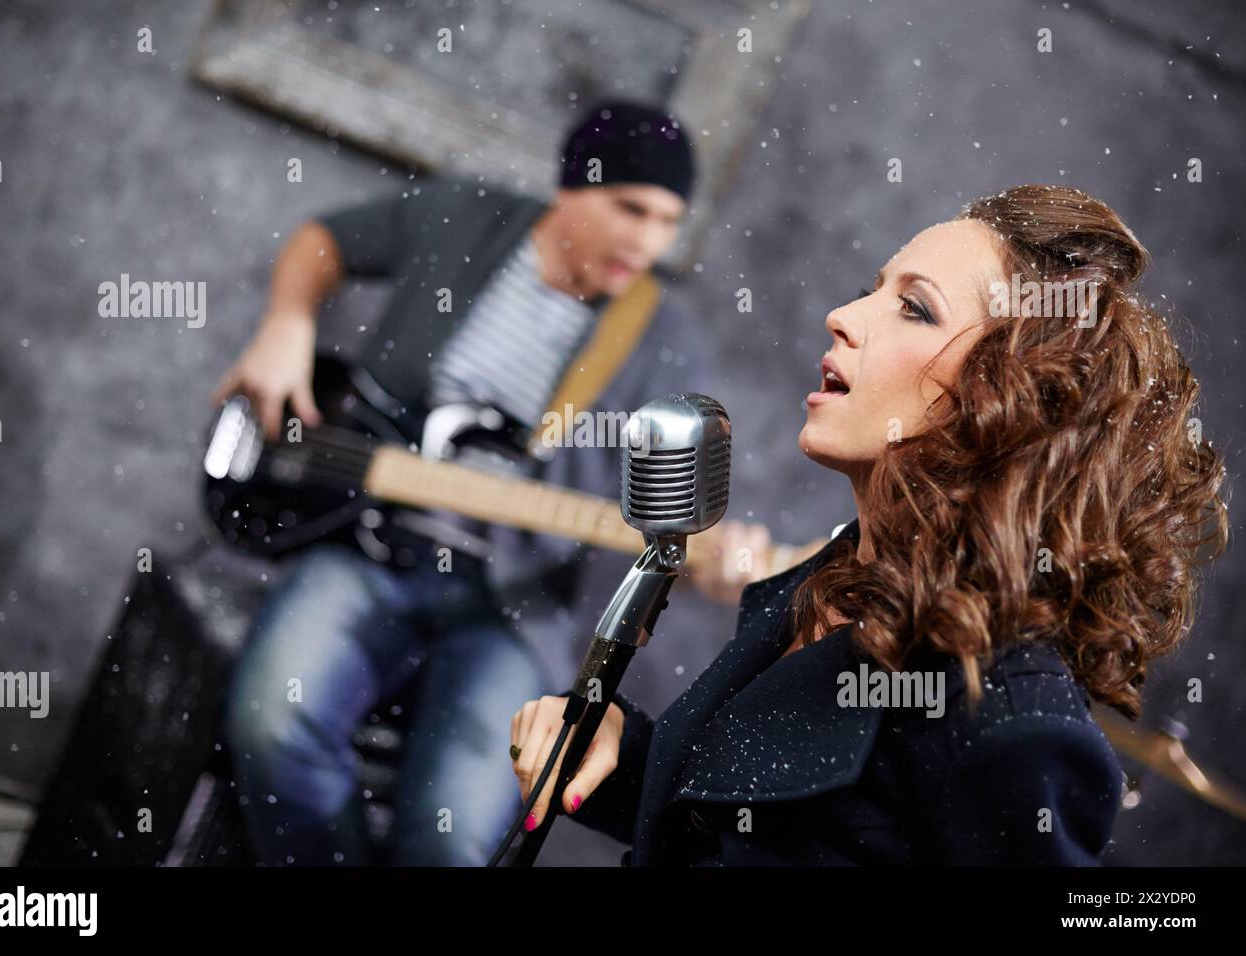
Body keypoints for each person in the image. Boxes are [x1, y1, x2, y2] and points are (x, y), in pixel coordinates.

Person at [510, 184, 1229, 865]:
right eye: (871, 291)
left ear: (1009, 400)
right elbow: (754, 832)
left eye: (915, 308)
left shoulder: (1013, 720)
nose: (844, 317)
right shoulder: (823, 588)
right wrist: (621, 756)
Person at [216, 100, 762, 867]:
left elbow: (669, 504)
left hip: (513, 606)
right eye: (630, 208)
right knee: (271, 726)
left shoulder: (662, 339)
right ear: (574, 184)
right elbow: (324, 241)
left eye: (669, 222)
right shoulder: (462, 215)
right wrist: (286, 324)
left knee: (456, 838)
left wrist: (711, 558)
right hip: (367, 547)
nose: (648, 241)